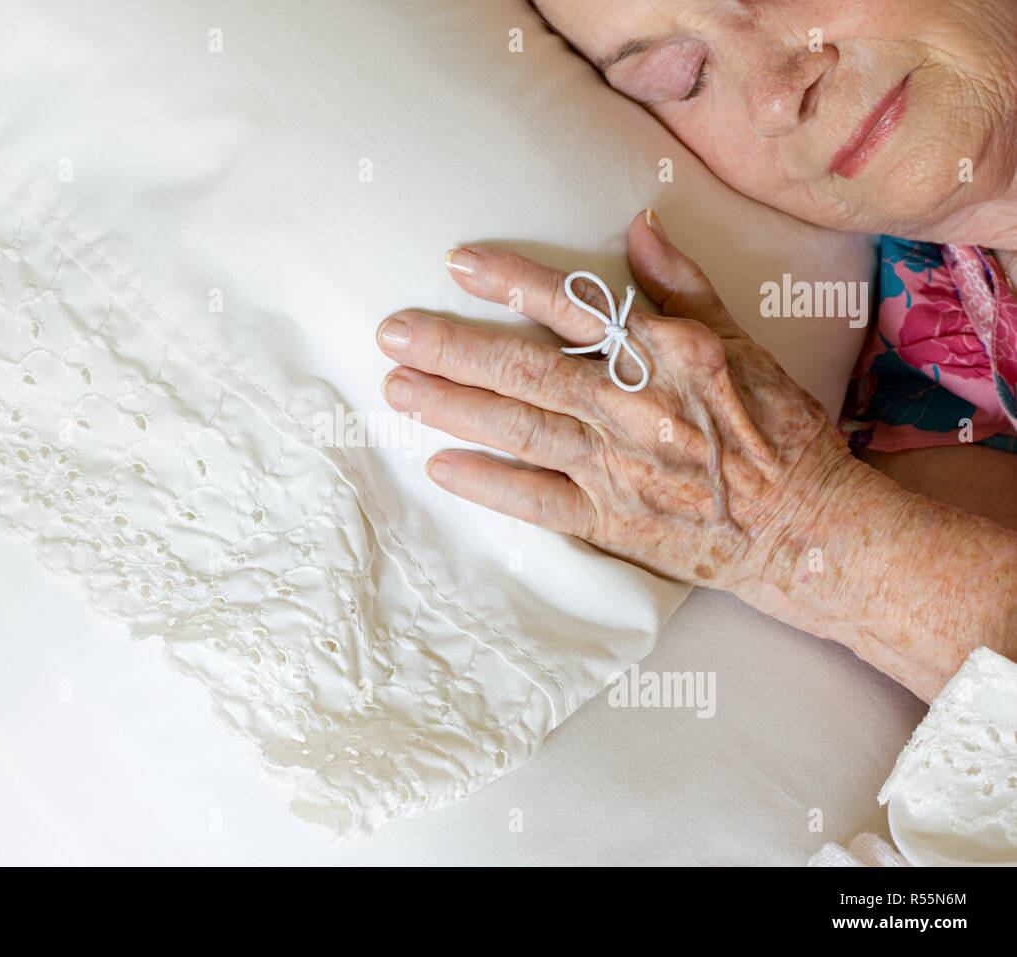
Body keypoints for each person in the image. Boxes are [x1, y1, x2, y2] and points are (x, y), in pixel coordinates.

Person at [375, 0, 1017, 703]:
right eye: (682, 79)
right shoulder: (928, 397)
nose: (776, 95)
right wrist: (800, 526)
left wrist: (803, 523)